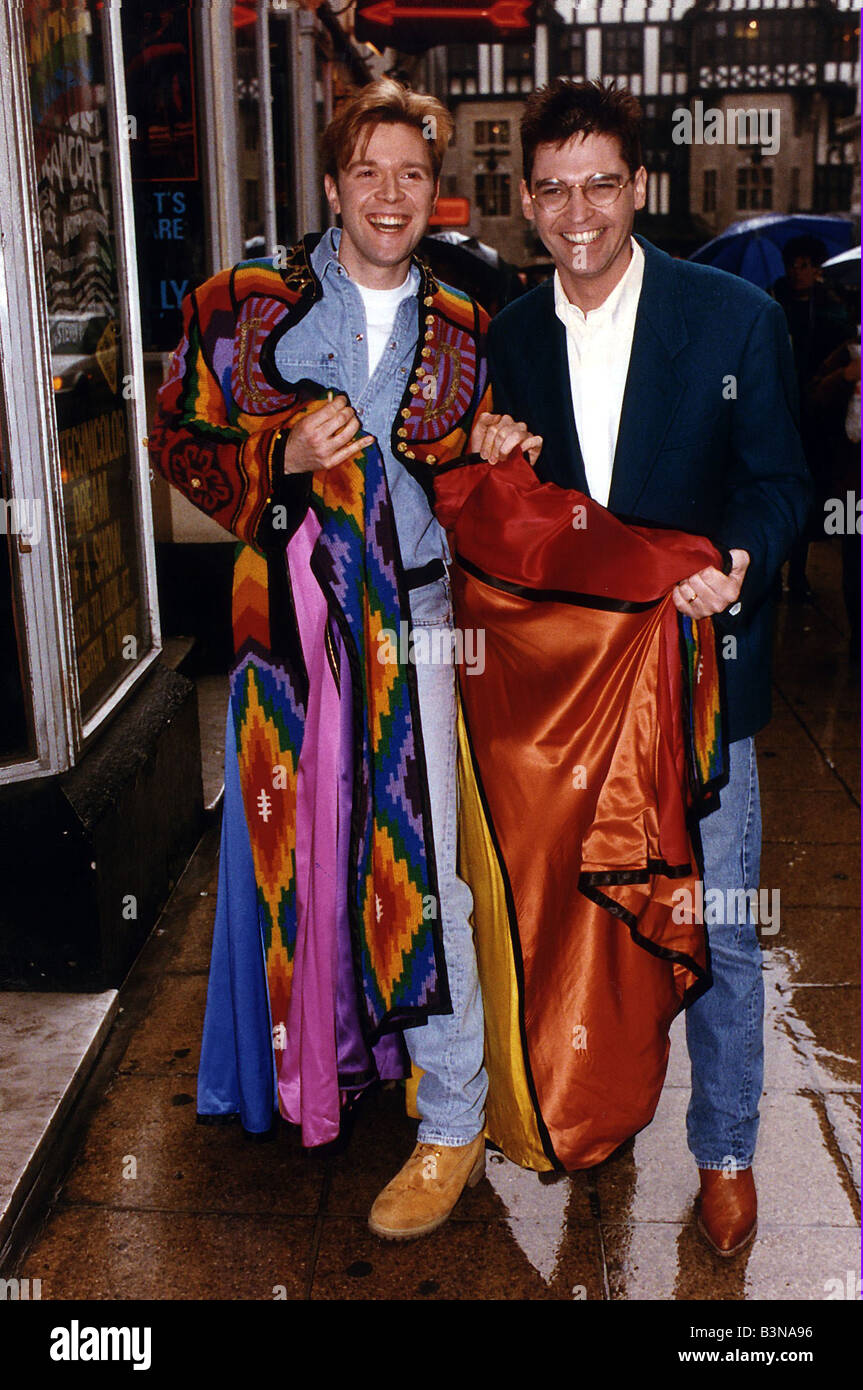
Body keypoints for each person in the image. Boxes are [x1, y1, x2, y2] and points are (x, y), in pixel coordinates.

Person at [148, 77, 538, 1243]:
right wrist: (276, 448)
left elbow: (483, 473)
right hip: (284, 634)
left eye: (409, 174)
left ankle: (452, 1115)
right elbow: (175, 433)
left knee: (420, 865)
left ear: (435, 191)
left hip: (415, 627)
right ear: (330, 185)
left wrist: (500, 447)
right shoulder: (244, 306)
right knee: (297, 851)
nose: (387, 193)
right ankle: (320, 1064)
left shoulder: (472, 324)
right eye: (365, 171)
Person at [486, 78, 811, 1256]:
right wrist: (496, 458)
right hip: (578, 708)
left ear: (639, 188)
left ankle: (723, 1152)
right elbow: (515, 520)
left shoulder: (730, 321)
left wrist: (737, 555)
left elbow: (781, 487)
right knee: (598, 928)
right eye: (556, 189)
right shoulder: (511, 339)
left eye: (602, 185)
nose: (580, 213)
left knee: (718, 930)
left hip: (698, 694)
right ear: (527, 203)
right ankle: (602, 1119)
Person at [771, 235, 853, 600]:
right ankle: (778, 570)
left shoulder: (832, 310)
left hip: (821, 420)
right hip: (781, 410)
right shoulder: (773, 304)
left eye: (806, 265)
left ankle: (802, 573)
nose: (798, 271)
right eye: (794, 264)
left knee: (818, 496)